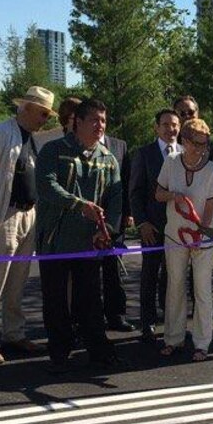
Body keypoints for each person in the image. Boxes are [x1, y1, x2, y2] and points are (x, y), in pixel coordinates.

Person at [0, 86, 55, 365]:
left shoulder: (30, 137)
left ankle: (14, 334)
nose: (45, 119)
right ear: (26, 108)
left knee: (18, 280)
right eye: (42, 113)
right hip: (2, 215)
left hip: (28, 214)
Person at [35, 98, 124, 368]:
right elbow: (46, 186)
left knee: (90, 300)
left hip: (89, 244)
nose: (100, 126)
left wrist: (107, 229)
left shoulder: (107, 158)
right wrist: (79, 205)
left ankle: (98, 352)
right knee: (56, 301)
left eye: (104, 121)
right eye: (95, 120)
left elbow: (116, 197)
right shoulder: (54, 150)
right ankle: (59, 355)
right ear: (78, 122)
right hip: (56, 242)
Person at [155, 118, 213, 361]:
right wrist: (174, 195)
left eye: (204, 145)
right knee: (175, 286)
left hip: (203, 240)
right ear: (183, 141)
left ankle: (202, 343)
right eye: (195, 144)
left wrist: (199, 233)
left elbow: (211, 207)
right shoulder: (171, 162)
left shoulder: (212, 169)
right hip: (174, 235)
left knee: (202, 289)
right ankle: (173, 338)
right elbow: (158, 193)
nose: (200, 149)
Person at [129, 108, 179, 343]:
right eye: (166, 124)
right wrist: (142, 223)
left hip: (179, 228)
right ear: (156, 128)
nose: (172, 129)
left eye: (175, 124)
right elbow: (135, 192)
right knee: (150, 274)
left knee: (175, 277)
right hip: (153, 227)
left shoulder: (185, 153)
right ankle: (147, 322)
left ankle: (172, 322)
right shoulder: (144, 154)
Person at [99, 128, 135, 332]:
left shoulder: (120, 146)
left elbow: (127, 181)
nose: (100, 124)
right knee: (90, 272)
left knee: (113, 270)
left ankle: (116, 316)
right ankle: (91, 318)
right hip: (88, 216)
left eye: (103, 119)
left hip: (116, 218)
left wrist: (128, 212)